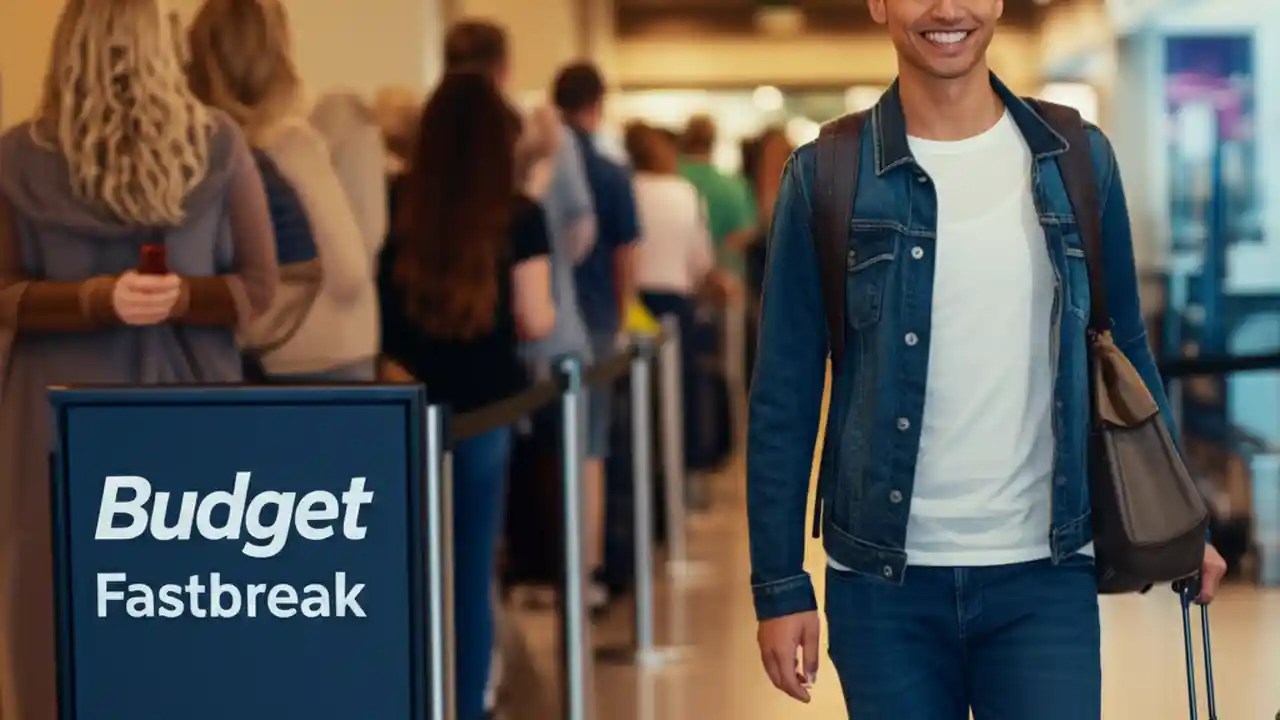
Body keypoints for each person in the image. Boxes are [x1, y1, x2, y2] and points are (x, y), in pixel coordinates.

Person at [748, 2, 1229, 719]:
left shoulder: (1077, 158)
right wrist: (781, 584)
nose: (947, 9)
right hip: (883, 588)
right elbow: (783, 396)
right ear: (879, 3)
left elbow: (1124, 350)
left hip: (1045, 576)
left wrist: (1180, 517)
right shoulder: (827, 174)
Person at [0, 0, 279, 716]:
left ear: (67, 48)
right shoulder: (217, 144)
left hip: (53, 417)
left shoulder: (16, 156)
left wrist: (93, 300)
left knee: (57, 616)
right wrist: (179, 298)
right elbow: (260, 287)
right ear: (165, 48)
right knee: (183, 613)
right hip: (186, 415)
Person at [377, 71, 555, 720]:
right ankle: (465, 705)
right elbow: (536, 318)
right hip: (486, 411)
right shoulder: (520, 216)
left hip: (400, 410)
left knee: (405, 567)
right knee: (471, 570)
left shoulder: (395, 202)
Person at [187, 0, 383, 382]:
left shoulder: (199, 147)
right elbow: (349, 272)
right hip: (325, 356)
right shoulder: (290, 143)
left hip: (232, 357)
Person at [554, 61, 640, 606]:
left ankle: (546, 568)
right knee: (589, 451)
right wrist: (623, 316)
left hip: (541, 324)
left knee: (548, 452)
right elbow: (627, 254)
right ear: (598, 103)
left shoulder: (539, 163)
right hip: (596, 322)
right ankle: (584, 574)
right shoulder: (608, 171)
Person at [625, 122, 727, 473]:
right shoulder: (682, 192)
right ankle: (678, 474)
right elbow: (701, 260)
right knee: (677, 396)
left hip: (633, 301)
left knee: (636, 401)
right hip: (674, 301)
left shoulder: (628, 188)